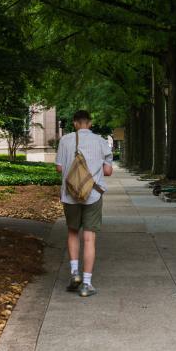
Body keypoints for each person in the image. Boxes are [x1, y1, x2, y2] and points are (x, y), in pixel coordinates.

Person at [55, 110, 113, 297]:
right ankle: (87, 284)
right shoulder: (101, 141)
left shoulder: (65, 140)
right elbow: (108, 171)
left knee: (73, 232)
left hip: (70, 195)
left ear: (74, 123)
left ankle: (74, 274)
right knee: (89, 238)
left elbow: (59, 168)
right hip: (93, 195)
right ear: (90, 122)